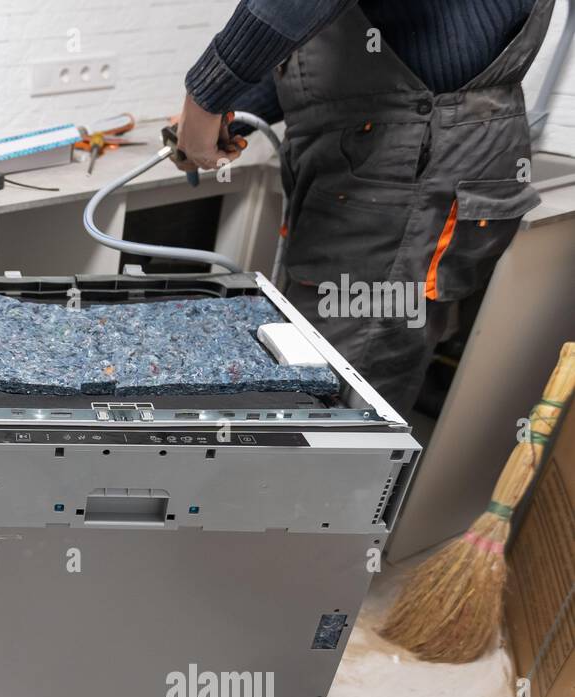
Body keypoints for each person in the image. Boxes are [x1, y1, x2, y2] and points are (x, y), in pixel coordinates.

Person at [172, 0, 553, 416]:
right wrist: (230, 113)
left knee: (340, 389)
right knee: (307, 360)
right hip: (370, 162)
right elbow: (336, 45)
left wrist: (207, 96)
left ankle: (322, 482)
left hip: (411, 166)